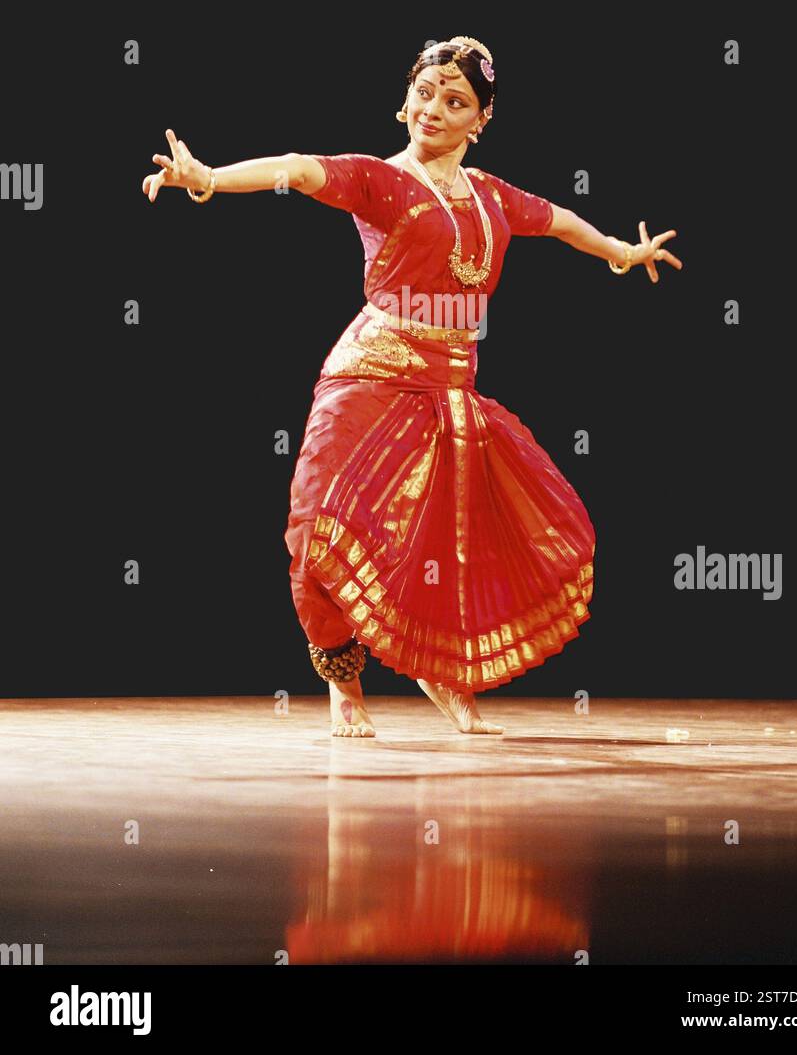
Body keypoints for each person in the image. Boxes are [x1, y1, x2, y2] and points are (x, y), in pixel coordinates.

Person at [142, 36, 682, 739]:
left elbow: (561, 222)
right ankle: (345, 683)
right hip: (367, 376)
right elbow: (297, 170)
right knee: (314, 530)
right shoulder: (379, 180)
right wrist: (209, 176)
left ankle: (439, 671)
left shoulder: (492, 197)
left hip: (450, 389)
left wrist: (621, 252)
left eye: (455, 101)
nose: (434, 109)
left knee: (446, 544)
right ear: (404, 102)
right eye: (425, 94)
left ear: (480, 120)